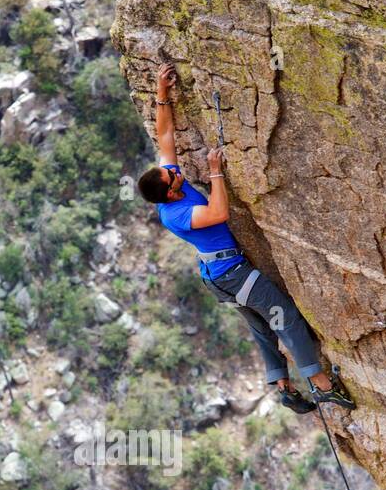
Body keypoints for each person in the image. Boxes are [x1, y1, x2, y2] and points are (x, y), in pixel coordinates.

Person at [137, 63, 354, 413]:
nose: (173, 170)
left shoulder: (170, 186)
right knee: (283, 315)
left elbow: (165, 139)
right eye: (171, 175)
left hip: (219, 277)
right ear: (171, 191)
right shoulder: (175, 214)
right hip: (232, 273)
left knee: (263, 327)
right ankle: (321, 384)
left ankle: (282, 385)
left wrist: (162, 92)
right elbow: (218, 214)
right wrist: (216, 173)